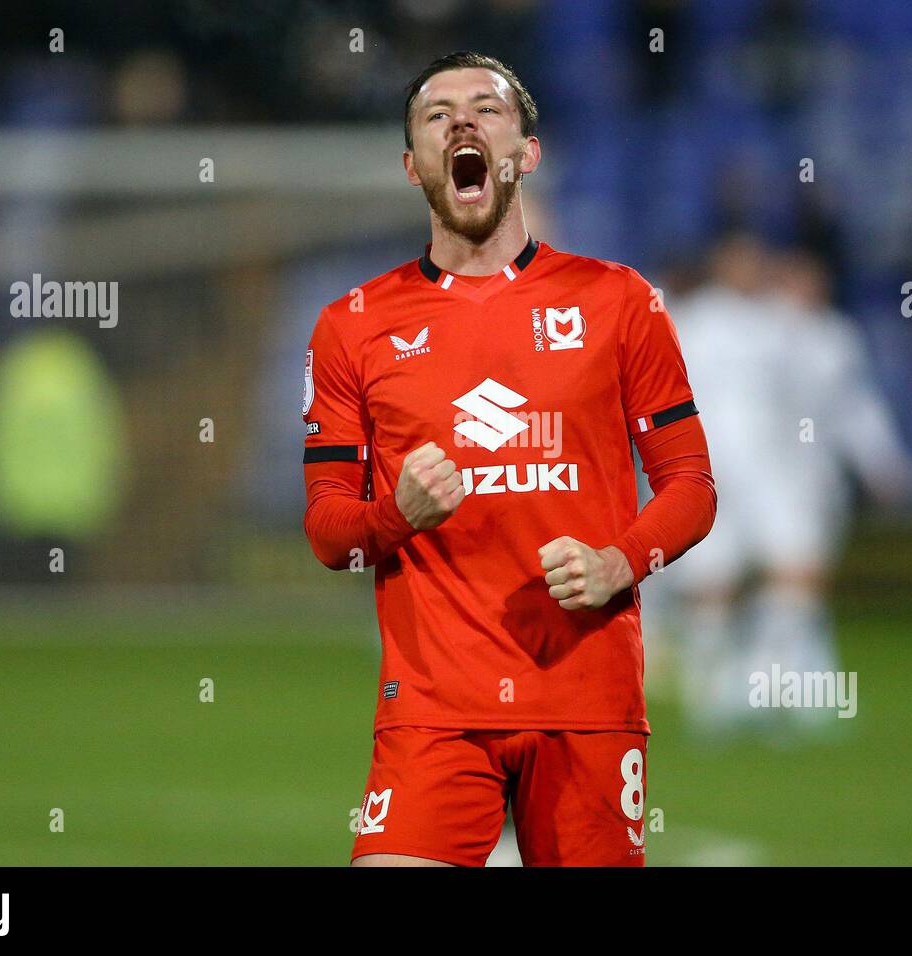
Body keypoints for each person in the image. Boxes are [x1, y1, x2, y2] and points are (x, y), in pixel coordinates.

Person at [301, 51, 716, 866]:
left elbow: (691, 486)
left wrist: (617, 562)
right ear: (412, 164)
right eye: (436, 114)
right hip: (432, 706)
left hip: (584, 699)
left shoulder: (619, 303)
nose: (462, 123)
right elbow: (328, 533)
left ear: (527, 152)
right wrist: (395, 517)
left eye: (486, 110)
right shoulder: (351, 325)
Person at [667, 241, 907, 740]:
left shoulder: (783, 327)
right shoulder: (688, 322)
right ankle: (720, 694)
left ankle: (774, 684)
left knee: (793, 574)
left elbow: (845, 400)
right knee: (715, 583)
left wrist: (878, 461)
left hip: (777, 475)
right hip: (704, 473)